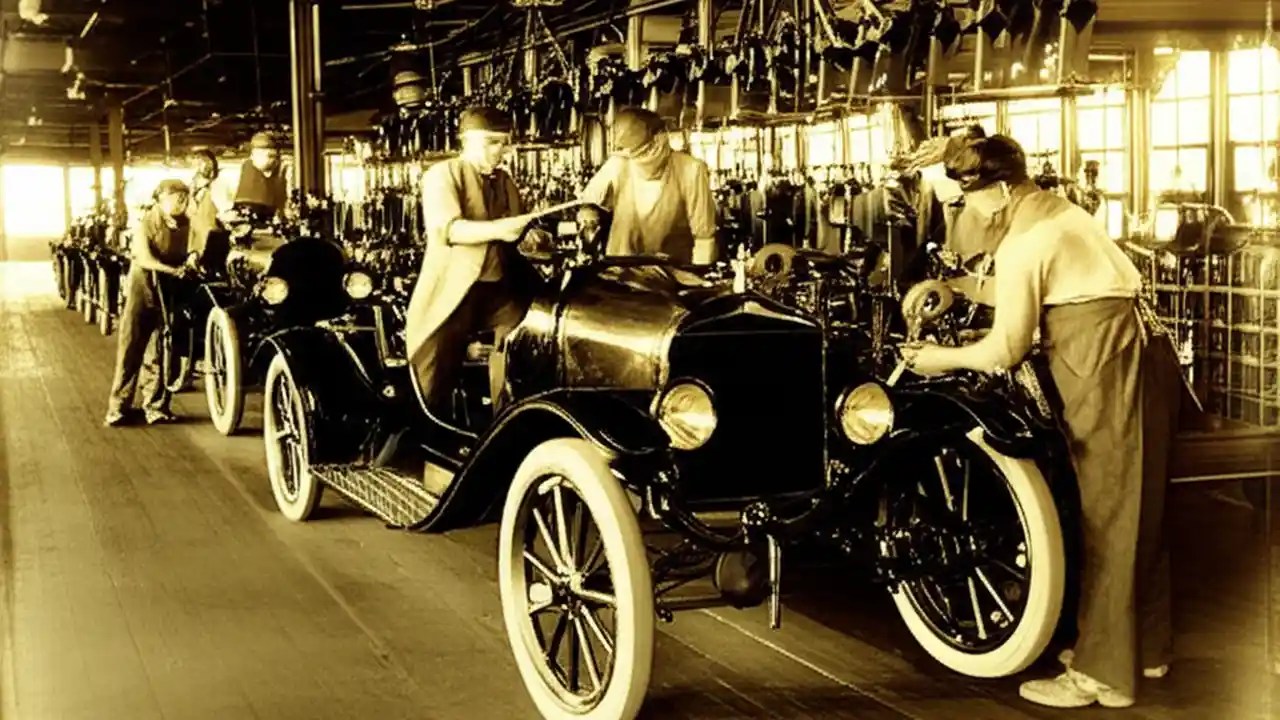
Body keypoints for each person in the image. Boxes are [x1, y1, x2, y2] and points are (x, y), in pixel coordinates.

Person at [902, 134, 1182, 709]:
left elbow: (1005, 348)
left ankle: (1103, 677)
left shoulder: (1025, 238)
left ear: (1000, 190)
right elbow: (1030, 287)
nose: (967, 210)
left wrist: (940, 360)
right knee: (1141, 505)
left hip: (1104, 360)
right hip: (1144, 349)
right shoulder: (1054, 210)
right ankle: (1143, 648)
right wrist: (955, 287)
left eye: (968, 200)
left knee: (1107, 514)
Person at [404, 105, 540, 420]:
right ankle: (421, 434)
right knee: (432, 365)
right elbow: (447, 230)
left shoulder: (504, 180)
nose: (501, 150)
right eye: (493, 142)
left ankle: (506, 424)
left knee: (522, 351)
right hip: (455, 288)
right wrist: (500, 229)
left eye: (504, 142)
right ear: (467, 141)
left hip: (500, 289)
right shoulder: (443, 174)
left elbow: (513, 231)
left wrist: (530, 237)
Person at [104, 179, 201, 426]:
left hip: (168, 289)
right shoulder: (148, 222)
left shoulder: (186, 223)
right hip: (142, 285)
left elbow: (194, 247)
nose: (181, 201)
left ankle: (156, 406)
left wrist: (192, 259)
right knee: (131, 347)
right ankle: (118, 407)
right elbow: (144, 258)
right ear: (160, 198)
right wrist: (172, 269)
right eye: (175, 197)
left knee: (162, 348)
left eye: (183, 197)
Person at [578, 107, 718, 265]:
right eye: (633, 153)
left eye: (644, 151)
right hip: (621, 272)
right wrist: (589, 214)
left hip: (673, 274)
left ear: (660, 138)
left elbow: (704, 237)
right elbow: (589, 204)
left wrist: (699, 278)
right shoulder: (619, 164)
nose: (640, 160)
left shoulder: (691, 170)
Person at [187, 149, 234, 271]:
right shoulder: (193, 187)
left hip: (211, 239)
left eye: (200, 163)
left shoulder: (217, 186)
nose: (197, 168)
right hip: (198, 239)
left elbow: (224, 210)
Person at [230, 131, 288, 222]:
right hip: (260, 205)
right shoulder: (250, 165)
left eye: (273, 156)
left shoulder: (247, 165)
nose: (273, 160)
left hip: (255, 205)